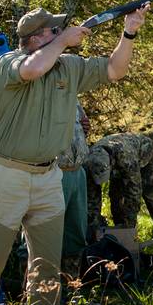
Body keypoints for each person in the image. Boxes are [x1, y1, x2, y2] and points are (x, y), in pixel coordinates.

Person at [0, 3, 149, 305]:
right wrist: (64, 41)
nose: (62, 34)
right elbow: (32, 70)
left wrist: (130, 31)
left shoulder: (68, 66)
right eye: (54, 31)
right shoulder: (11, 63)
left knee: (46, 266)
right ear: (36, 39)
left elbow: (114, 69)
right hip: (5, 175)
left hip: (49, 177)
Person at [83, 133, 153, 274]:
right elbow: (91, 201)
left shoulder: (126, 158)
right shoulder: (89, 162)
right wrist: (93, 226)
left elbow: (133, 194)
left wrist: (128, 229)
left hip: (145, 157)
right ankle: (119, 259)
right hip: (118, 164)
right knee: (117, 205)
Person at [58, 105, 90, 281]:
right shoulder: (39, 90)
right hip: (53, 172)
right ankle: (38, 296)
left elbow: (80, 129)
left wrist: (84, 129)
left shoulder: (73, 99)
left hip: (77, 172)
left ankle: (72, 292)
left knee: (76, 234)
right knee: (41, 236)